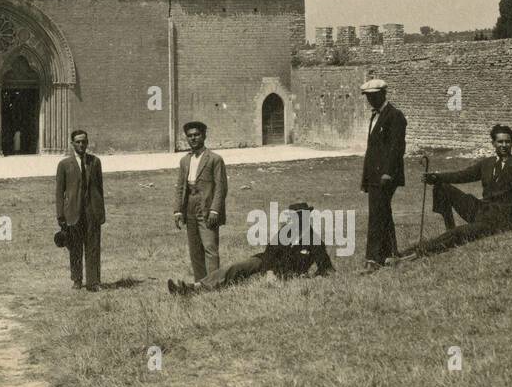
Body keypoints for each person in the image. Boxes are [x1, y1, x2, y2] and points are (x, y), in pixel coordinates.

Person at [398, 124, 512, 259]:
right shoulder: (487, 163)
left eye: (508, 141)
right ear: (493, 143)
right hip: (481, 210)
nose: (504, 145)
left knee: (459, 234)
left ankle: (415, 254)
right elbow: (462, 175)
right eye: (500, 142)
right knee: (442, 186)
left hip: (502, 219)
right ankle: (448, 228)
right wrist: (435, 177)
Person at [168, 202, 334, 294]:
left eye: (301, 218)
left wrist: (312, 278)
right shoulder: (285, 231)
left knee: (242, 284)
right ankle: (194, 287)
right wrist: (269, 272)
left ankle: (199, 290)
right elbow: (270, 253)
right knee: (236, 268)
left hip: (285, 274)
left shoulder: (314, 241)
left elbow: (326, 268)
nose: (296, 222)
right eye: (293, 218)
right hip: (264, 262)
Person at [360, 79, 406, 271]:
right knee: (383, 212)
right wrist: (365, 179)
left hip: (386, 176)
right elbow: (372, 151)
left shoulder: (394, 116)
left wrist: (388, 172)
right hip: (374, 175)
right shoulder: (375, 116)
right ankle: (390, 253)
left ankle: (373, 259)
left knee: (377, 214)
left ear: (383, 94)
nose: (371, 100)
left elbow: (396, 148)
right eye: (368, 97)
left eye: (374, 96)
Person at [174, 121, 228, 282]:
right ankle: (200, 282)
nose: (193, 138)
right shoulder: (185, 160)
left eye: (196, 135)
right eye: (190, 136)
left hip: (206, 206)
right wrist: (177, 210)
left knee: (209, 246)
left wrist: (215, 210)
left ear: (204, 135)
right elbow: (180, 187)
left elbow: (221, 187)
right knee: (194, 248)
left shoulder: (214, 159)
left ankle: (213, 283)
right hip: (189, 205)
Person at [56, 129, 105, 291]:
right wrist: (60, 215)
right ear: (72, 144)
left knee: (93, 246)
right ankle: (77, 280)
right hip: (73, 212)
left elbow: (100, 188)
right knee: (75, 247)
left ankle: (93, 282)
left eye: (84, 141)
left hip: (92, 211)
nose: (81, 144)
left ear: (87, 142)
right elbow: (59, 192)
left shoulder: (95, 162)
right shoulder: (64, 165)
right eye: (78, 142)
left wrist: (101, 213)